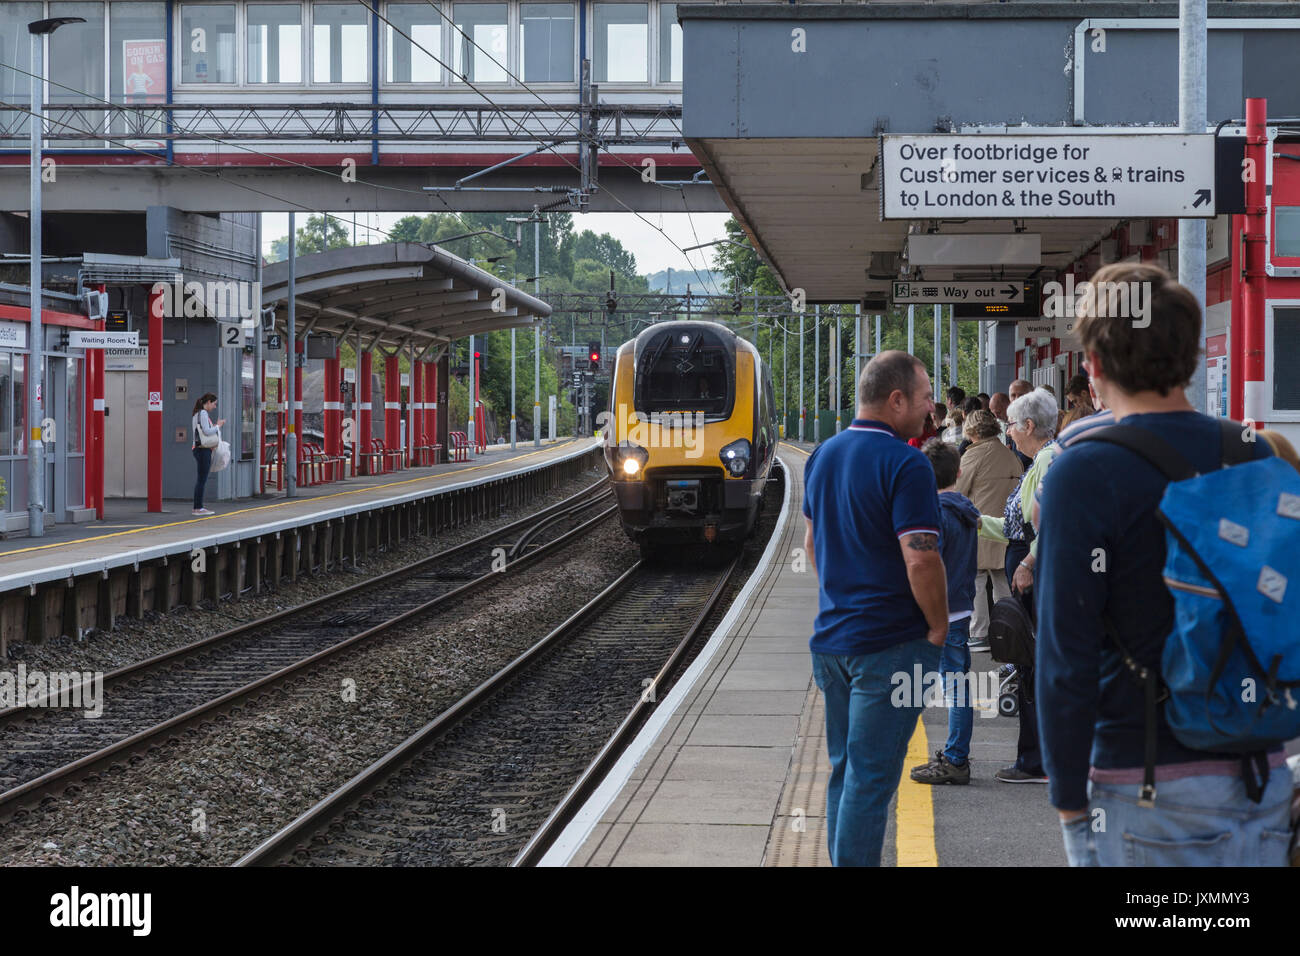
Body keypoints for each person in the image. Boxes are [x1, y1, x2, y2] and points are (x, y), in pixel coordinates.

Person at [1036, 262, 1290, 867]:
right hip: (1266, 776)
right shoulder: (1256, 454)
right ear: (1191, 356)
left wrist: (1070, 802)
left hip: (1149, 786)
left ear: (1093, 365)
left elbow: (1063, 656)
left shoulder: (1083, 470)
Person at [803, 350, 947, 866]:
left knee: (846, 772)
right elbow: (921, 559)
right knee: (871, 782)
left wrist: (844, 596)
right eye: (926, 395)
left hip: (832, 643)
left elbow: (813, 545)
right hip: (889, 647)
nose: (932, 406)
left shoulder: (823, 454)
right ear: (896, 399)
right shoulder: (908, 464)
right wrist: (937, 627)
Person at [975, 387, 1058, 783]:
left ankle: (1035, 761)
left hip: (1033, 577)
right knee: (1029, 662)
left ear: (1028, 425)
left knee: (1030, 663)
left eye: (1010, 424)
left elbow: (1049, 524)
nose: (1007, 431)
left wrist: (1027, 562)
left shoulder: (1046, 461)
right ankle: (1035, 757)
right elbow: (1015, 527)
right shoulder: (1039, 460)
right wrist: (975, 522)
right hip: (1028, 569)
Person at [910, 439, 980, 786]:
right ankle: (955, 755)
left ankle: (955, 759)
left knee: (951, 687)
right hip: (962, 607)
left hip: (938, 613)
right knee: (958, 685)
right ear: (960, 472)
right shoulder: (966, 510)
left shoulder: (933, 515)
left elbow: (925, 565)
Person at [956, 410, 1022, 653]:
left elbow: (958, 489)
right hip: (1008, 527)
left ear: (972, 431)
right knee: (1003, 578)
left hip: (981, 526)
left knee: (977, 578)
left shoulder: (972, 456)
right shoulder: (1011, 455)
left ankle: (980, 632)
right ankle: (1009, 629)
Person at [192, 393, 224, 516]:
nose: (215, 407)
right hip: (203, 449)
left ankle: (198, 507)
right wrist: (218, 426)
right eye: (214, 404)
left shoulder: (197, 413)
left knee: (201, 479)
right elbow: (206, 431)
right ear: (209, 402)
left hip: (198, 449)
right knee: (202, 479)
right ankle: (198, 508)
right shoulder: (203, 413)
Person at [1003, 379, 1034, 470]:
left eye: (1021, 395)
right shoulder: (1011, 418)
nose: (1016, 399)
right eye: (1013, 395)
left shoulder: (1037, 418)